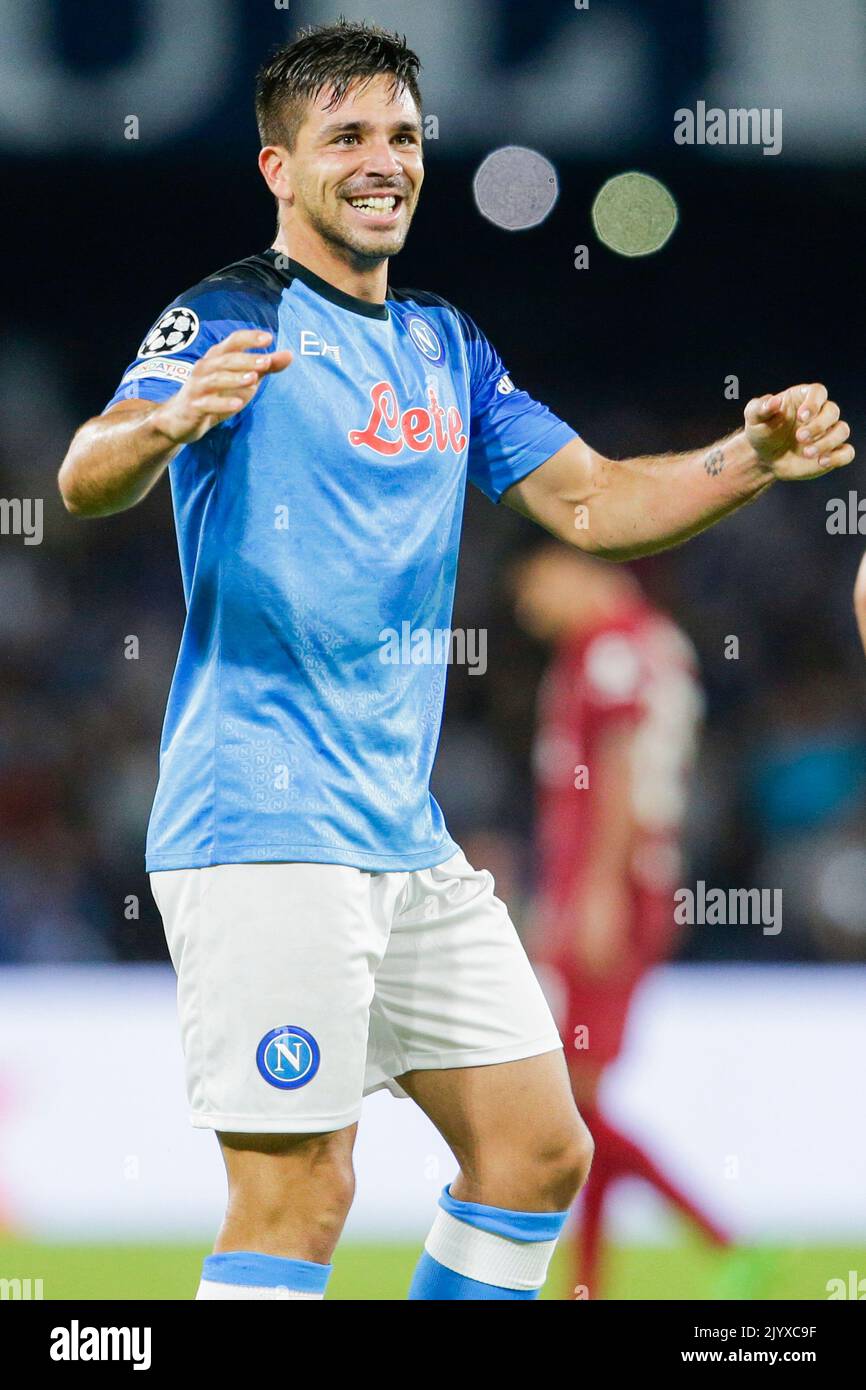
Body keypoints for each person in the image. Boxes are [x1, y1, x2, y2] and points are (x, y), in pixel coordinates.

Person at [57, 19, 853, 1301]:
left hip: (403, 840)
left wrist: (746, 454)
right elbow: (84, 473)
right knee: (298, 1189)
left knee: (536, 1153)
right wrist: (164, 424)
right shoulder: (228, 313)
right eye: (347, 137)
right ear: (277, 169)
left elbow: (595, 502)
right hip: (265, 826)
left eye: (403, 136)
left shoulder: (445, 344)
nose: (384, 162)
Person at [514, 542, 729, 1297]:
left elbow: (615, 771)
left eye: (536, 585)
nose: (528, 608)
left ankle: (722, 1242)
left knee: (571, 1105)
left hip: (609, 891)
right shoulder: (654, 641)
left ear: (577, 568)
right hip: (635, 885)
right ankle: (593, 1282)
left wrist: (594, 893)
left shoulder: (608, 650)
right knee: (586, 1099)